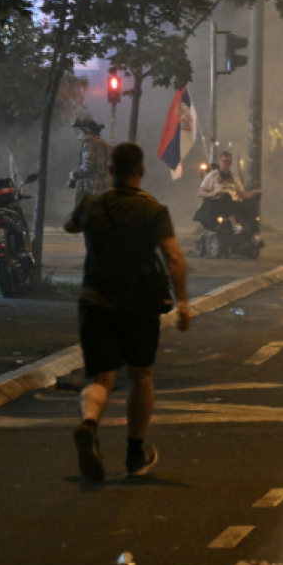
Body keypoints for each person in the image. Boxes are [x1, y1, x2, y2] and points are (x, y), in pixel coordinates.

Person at [64, 142, 190, 481]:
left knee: (100, 378)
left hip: (95, 303)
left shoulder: (92, 205)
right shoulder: (153, 210)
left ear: (110, 170)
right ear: (142, 171)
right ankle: (135, 453)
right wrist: (182, 302)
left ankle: (89, 424)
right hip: (139, 307)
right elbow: (173, 256)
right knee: (141, 376)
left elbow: (69, 226)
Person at [197, 151, 260, 233]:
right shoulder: (212, 175)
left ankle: (253, 233)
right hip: (218, 203)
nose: (226, 163)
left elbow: (242, 194)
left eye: (229, 161)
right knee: (226, 195)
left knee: (251, 205)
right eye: (224, 161)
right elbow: (201, 193)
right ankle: (235, 225)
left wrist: (252, 194)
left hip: (233, 202)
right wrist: (213, 194)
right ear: (220, 161)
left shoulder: (235, 177)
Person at [69, 118, 110, 199]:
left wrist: (74, 175)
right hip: (100, 187)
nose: (80, 133)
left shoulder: (90, 144)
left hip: (90, 188)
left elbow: (87, 167)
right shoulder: (101, 143)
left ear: (87, 130)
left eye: (81, 130)